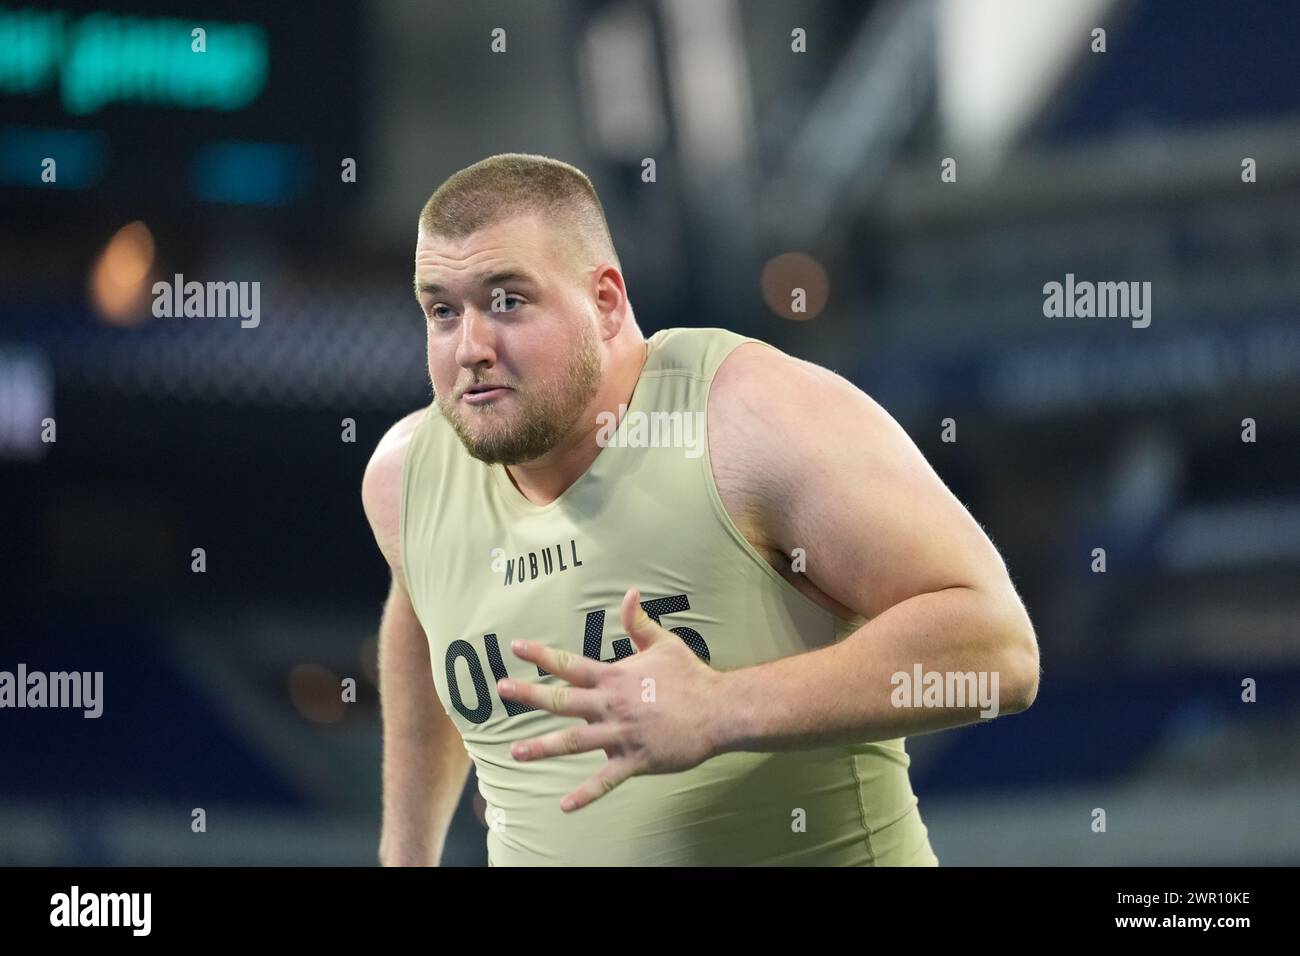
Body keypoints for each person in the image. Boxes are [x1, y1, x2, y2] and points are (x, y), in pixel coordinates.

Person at [362, 153, 1039, 866]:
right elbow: (424, 617)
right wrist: (406, 855)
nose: (470, 347)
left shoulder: (751, 420)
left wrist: (724, 708)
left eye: (506, 300)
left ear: (605, 301)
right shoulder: (405, 479)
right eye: (442, 310)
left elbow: (999, 648)